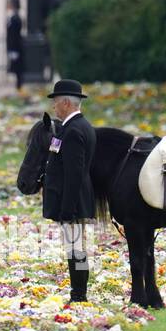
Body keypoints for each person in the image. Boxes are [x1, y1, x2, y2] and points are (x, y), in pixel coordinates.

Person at [43, 79, 98, 304]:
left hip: (73, 202)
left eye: (56, 103)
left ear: (66, 103)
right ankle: (78, 292)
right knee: (76, 247)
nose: (54, 107)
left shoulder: (74, 131)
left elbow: (74, 175)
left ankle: (78, 295)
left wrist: (67, 209)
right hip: (75, 200)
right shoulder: (77, 126)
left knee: (75, 249)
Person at [6, 0, 25, 94]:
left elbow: (13, 35)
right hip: (14, 47)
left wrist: (12, 49)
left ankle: (19, 88)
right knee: (17, 70)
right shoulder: (13, 17)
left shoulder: (15, 18)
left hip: (16, 47)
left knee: (18, 70)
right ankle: (18, 88)